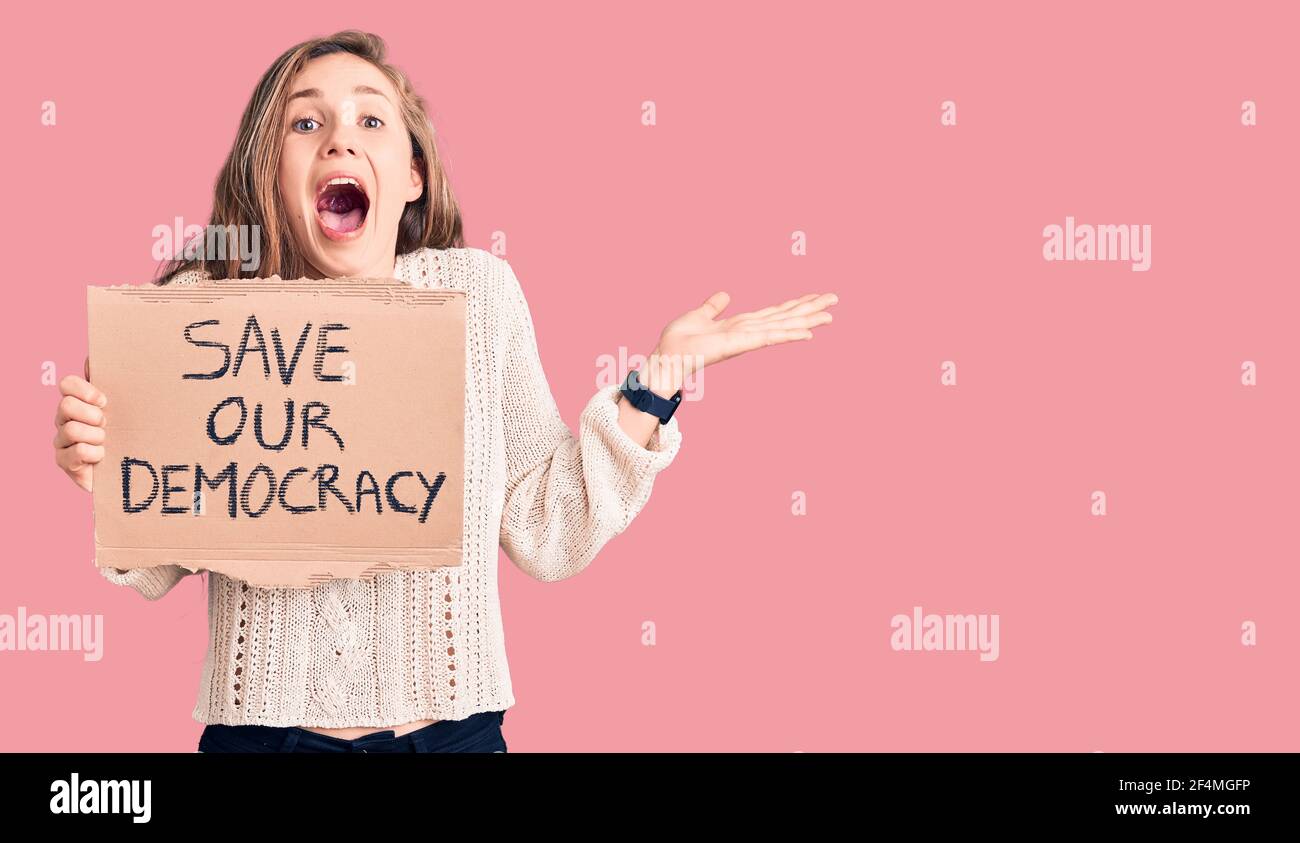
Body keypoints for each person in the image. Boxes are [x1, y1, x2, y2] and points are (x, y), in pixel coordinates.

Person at [52, 30, 838, 753]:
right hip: (261, 739)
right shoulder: (205, 310)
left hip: (447, 740)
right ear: (270, 167)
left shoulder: (478, 296)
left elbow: (544, 528)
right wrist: (105, 469)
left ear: (411, 175)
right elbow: (153, 563)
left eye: (371, 122)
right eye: (305, 123)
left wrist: (658, 381)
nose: (339, 138)